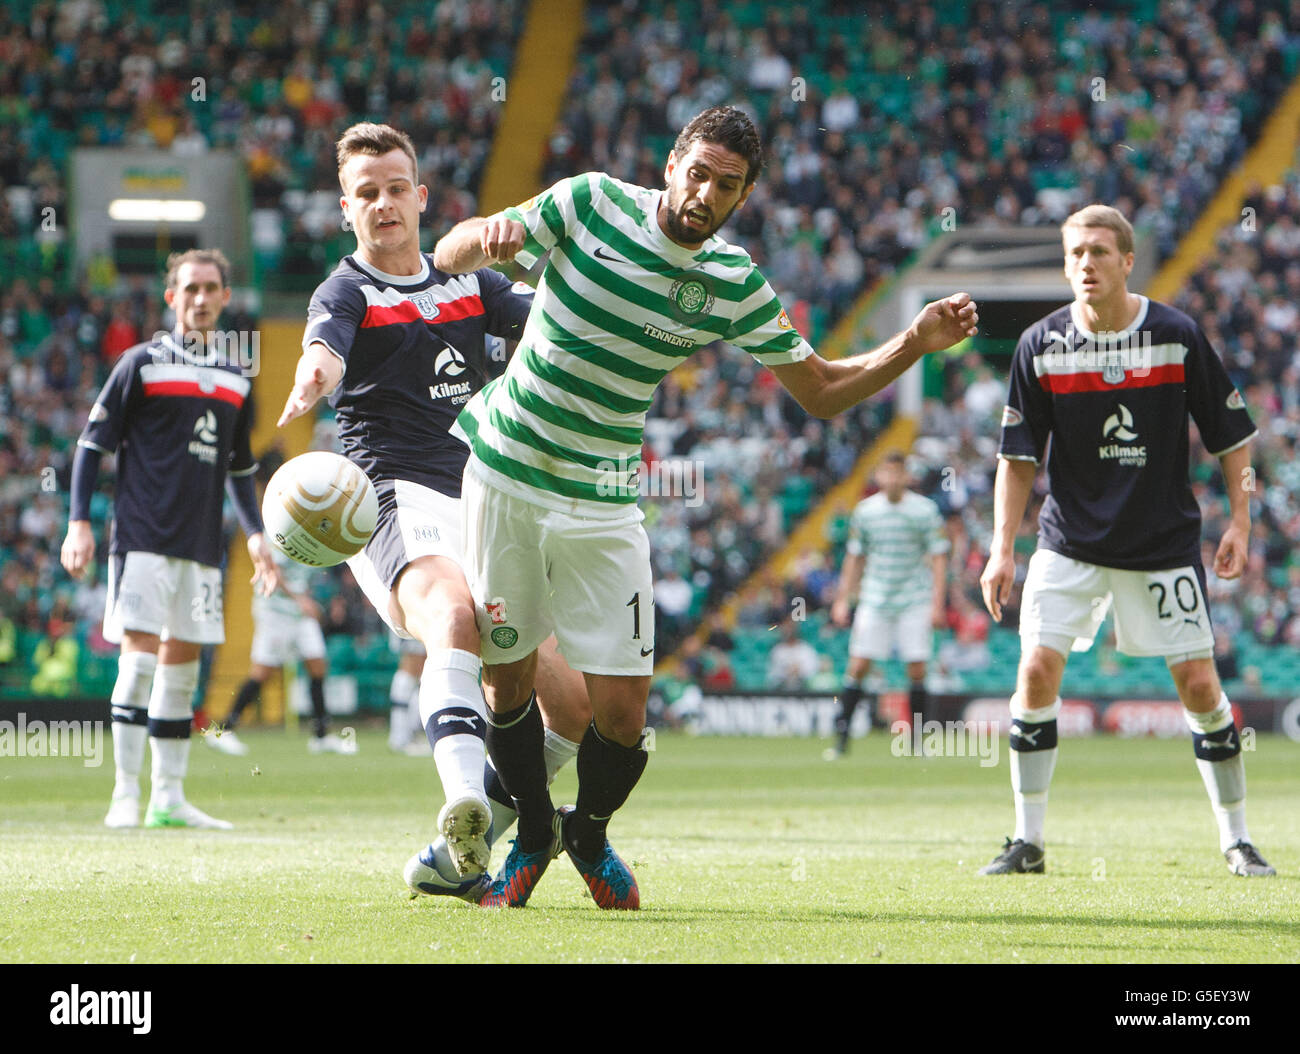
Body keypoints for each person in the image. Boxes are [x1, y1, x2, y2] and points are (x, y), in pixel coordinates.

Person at [435, 105, 977, 909]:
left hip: (608, 496)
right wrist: (485, 236)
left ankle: (588, 832)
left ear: (745, 195)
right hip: (507, 475)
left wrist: (912, 345)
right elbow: (448, 254)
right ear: (671, 164)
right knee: (507, 684)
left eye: (727, 185)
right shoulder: (588, 204)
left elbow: (821, 391)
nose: (706, 193)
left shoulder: (730, 282)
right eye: (698, 173)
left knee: (621, 715)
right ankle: (536, 837)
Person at [276, 122, 590, 897]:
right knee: (452, 615)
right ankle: (461, 800)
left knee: (574, 707)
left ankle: (458, 854)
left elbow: (553, 321)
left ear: (419, 197)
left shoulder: (473, 284)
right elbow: (326, 346)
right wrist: (315, 373)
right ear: (347, 210)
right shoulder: (343, 290)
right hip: (391, 493)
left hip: (483, 495)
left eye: (394, 189)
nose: (382, 204)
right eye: (365, 194)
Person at [978, 204, 1273, 877]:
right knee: (1033, 671)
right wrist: (1002, 548)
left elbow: (1233, 436)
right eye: (1076, 253)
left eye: (1100, 253)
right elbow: (1018, 458)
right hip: (1068, 542)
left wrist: (1241, 520)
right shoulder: (1041, 345)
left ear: (1127, 261)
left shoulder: (1176, 336)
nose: (1086, 264)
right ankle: (1027, 842)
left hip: (1161, 544)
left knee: (1199, 686)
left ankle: (1238, 839)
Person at [61, 248, 280, 830]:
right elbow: (91, 446)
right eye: (190, 289)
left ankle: (169, 798)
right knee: (136, 667)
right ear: (172, 297)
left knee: (181, 675)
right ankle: (124, 797)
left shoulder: (236, 378)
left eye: (211, 288)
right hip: (141, 537)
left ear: (226, 297)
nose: (201, 298)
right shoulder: (140, 363)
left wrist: (256, 535)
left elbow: (239, 468)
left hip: (202, 545)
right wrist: (78, 521)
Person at [827, 451, 949, 758]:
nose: (893, 478)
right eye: (887, 472)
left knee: (917, 668)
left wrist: (937, 602)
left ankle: (918, 742)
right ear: (879, 475)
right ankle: (841, 741)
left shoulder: (925, 510)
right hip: (875, 598)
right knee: (858, 665)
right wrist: (843, 599)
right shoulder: (866, 512)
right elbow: (855, 558)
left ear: (907, 475)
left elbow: (938, 557)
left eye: (898, 472)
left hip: (914, 600)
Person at [211, 547, 355, 756]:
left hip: (299, 612)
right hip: (274, 610)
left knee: (317, 665)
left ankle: (321, 736)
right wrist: (301, 600)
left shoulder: (308, 535)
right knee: (262, 672)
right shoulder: (280, 532)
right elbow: (273, 572)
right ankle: (224, 730)